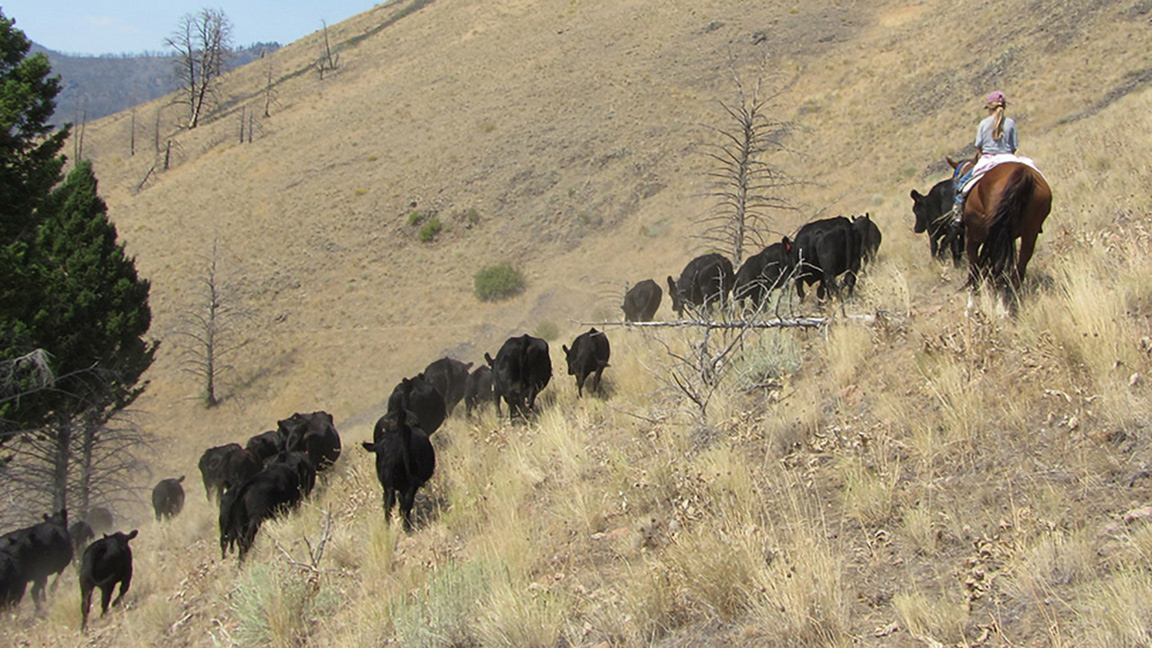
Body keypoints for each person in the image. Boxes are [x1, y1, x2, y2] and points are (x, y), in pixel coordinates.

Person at [950, 91, 1018, 223]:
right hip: (1009, 158)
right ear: (1004, 106)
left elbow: (979, 146)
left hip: (988, 159)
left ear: (989, 108)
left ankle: (958, 214)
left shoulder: (983, 123)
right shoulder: (1011, 123)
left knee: (962, 184)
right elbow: (1014, 147)